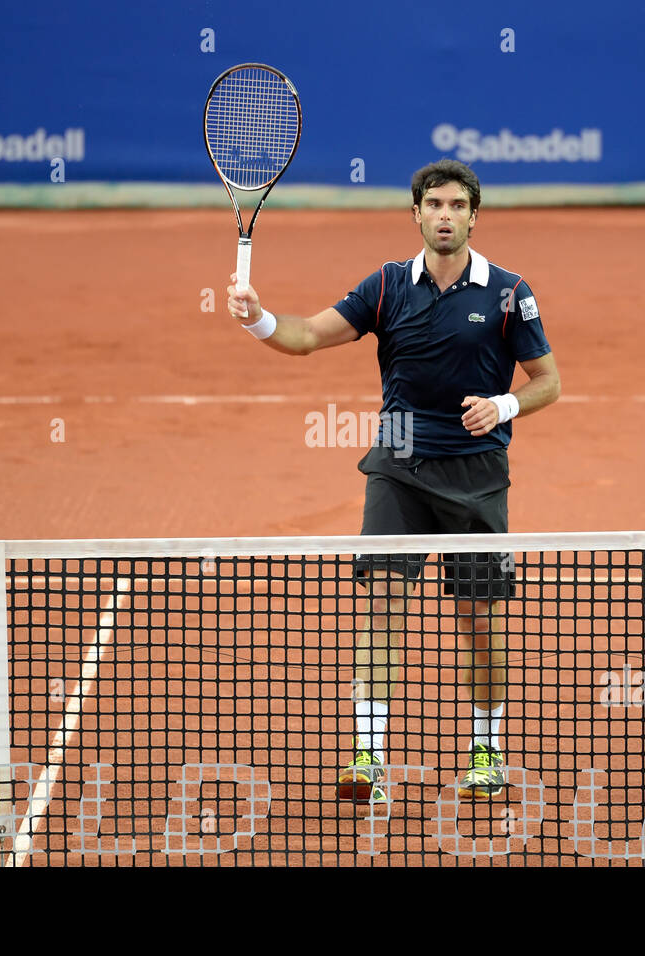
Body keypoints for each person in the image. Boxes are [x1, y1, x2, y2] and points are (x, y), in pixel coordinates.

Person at [225, 159, 560, 800]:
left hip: (477, 472)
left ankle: (485, 754)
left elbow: (549, 381)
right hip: (398, 464)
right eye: (433, 204)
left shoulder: (511, 292)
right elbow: (304, 338)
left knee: (478, 621)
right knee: (381, 603)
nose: (444, 215)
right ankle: (369, 759)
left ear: (472, 215)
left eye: (457, 205)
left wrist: (506, 404)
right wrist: (257, 317)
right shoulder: (385, 286)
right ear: (415, 213)